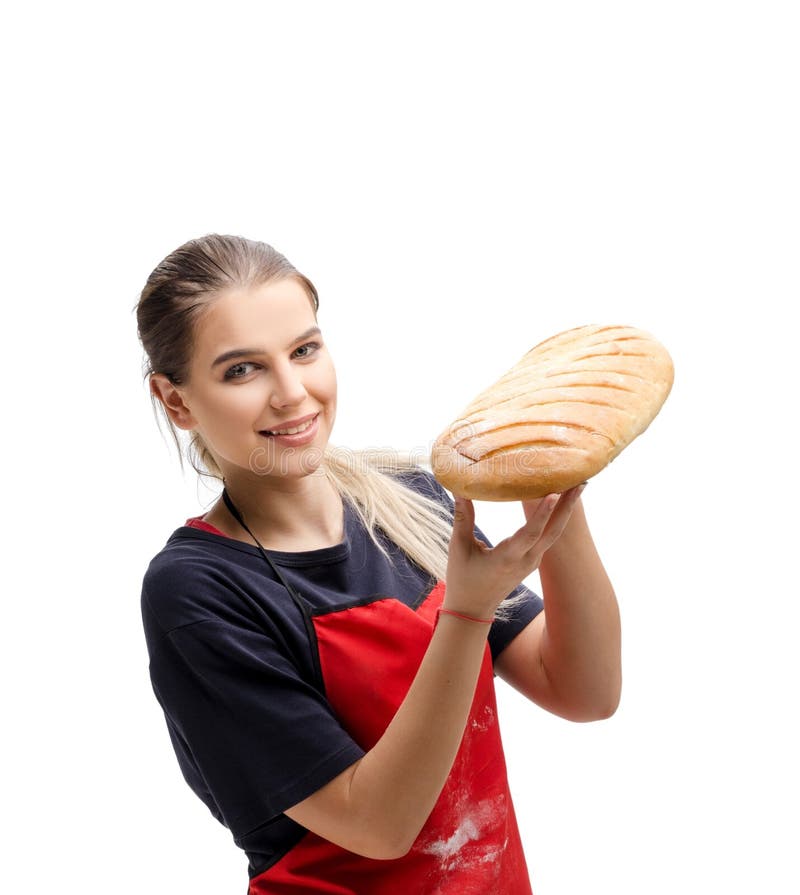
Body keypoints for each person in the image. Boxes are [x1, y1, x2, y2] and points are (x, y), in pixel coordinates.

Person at [135, 234, 622, 894]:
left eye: (304, 350)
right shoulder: (199, 591)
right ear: (177, 401)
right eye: (242, 370)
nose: (291, 392)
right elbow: (378, 824)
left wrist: (555, 481)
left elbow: (584, 690)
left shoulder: (406, 499)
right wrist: (468, 610)